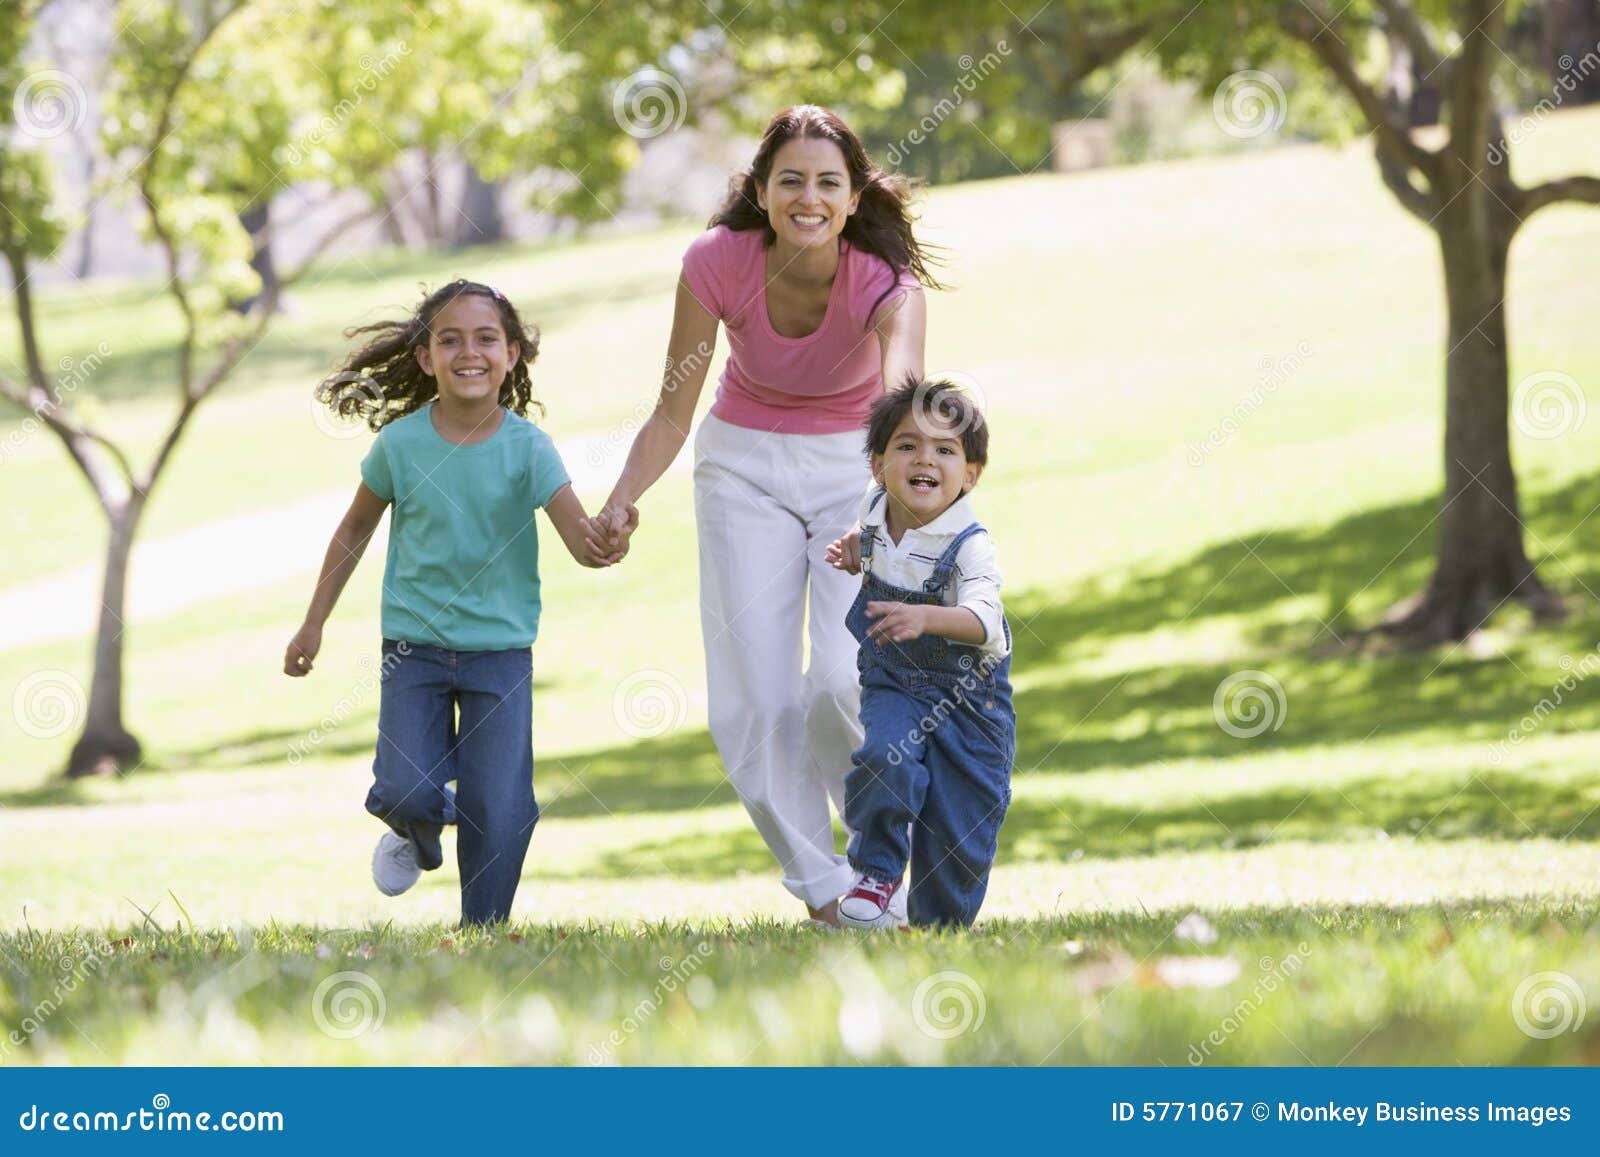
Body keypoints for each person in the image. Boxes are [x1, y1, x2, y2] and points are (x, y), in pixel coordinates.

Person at [593, 106, 935, 926]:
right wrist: (620, 498)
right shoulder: (717, 262)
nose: (807, 198)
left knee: (844, 681)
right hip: (742, 467)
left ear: (854, 198)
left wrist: (885, 514)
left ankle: (879, 860)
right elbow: (673, 411)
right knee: (756, 696)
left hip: (854, 469)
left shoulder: (887, 284)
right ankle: (825, 890)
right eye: (790, 180)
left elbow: (904, 405)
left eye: (827, 182)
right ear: (761, 191)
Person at [282, 280, 629, 926]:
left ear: (513, 353)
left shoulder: (529, 449)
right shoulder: (400, 446)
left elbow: (582, 541)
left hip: (499, 652)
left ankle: (482, 929)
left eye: (486, 338)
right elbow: (353, 530)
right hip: (412, 649)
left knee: (498, 804)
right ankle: (417, 828)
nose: (468, 352)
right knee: (405, 789)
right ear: (424, 358)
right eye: (450, 339)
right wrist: (313, 623)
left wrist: (608, 540)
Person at [824, 376, 1015, 929]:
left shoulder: (971, 545)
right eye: (906, 445)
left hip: (969, 704)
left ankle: (936, 930)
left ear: (971, 473)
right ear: (879, 464)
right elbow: (878, 537)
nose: (923, 459)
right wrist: (856, 548)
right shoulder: (877, 505)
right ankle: (878, 869)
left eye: (945, 449)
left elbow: (984, 622)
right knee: (885, 756)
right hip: (896, 682)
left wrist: (924, 617)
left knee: (959, 830)